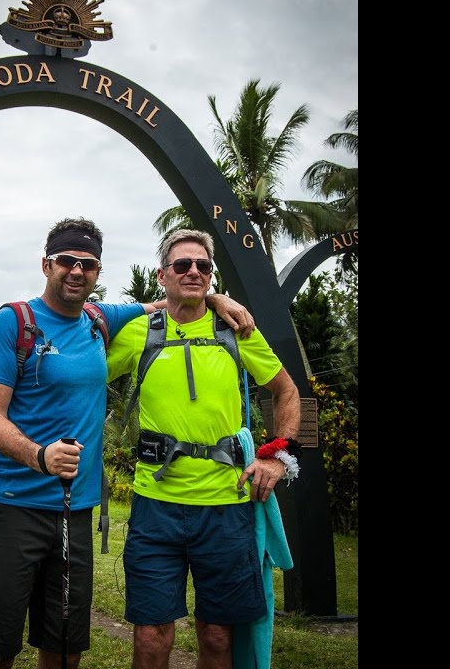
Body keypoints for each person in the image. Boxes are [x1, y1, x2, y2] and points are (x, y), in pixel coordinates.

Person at [0, 218, 255, 669]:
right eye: (66, 261)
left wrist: (213, 295)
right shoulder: (12, 322)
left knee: (64, 645)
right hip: (10, 504)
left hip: (75, 511)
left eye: (89, 264)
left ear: (98, 273)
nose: (76, 271)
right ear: (46, 265)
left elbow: (172, 299)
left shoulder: (100, 320)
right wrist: (38, 456)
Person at [106, 229, 302, 669]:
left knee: (217, 636)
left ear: (211, 277)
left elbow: (286, 392)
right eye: (182, 265)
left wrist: (278, 455)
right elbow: (83, 374)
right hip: (156, 504)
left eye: (203, 266)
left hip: (226, 505)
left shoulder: (236, 329)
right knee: (152, 635)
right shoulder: (141, 332)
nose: (193, 272)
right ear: (162, 276)